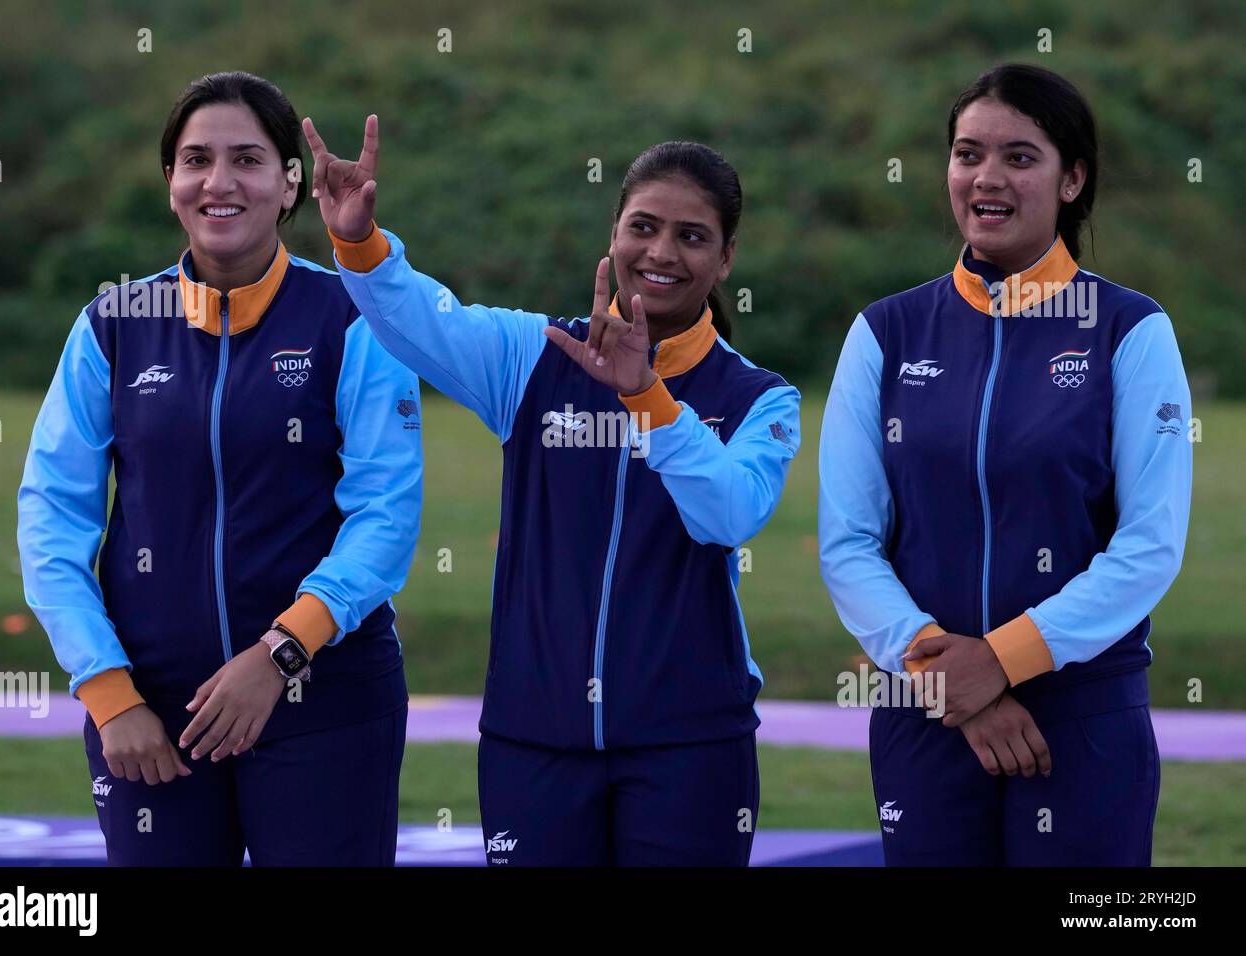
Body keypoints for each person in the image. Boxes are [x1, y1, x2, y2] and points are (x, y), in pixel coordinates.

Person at [304, 118, 802, 865]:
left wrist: (649, 397)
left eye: (692, 237)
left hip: (691, 746)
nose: (662, 253)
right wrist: (361, 244)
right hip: (531, 738)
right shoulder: (534, 356)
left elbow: (727, 514)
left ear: (727, 257)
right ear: (614, 230)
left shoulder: (760, 398)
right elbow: (422, 323)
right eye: (644, 226)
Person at [17, 72, 422, 866]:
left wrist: (281, 654)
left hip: (325, 704)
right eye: (196, 159)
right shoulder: (113, 324)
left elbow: (387, 515)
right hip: (151, 716)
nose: (219, 182)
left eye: (248, 159)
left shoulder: (354, 318)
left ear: (289, 182)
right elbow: (51, 522)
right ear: (171, 182)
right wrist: (109, 696)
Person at [819, 63, 1192, 866]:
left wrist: (1004, 659)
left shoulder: (1130, 329)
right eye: (967, 154)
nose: (986, 177)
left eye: (1020, 157)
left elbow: (1149, 546)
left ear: (1072, 180)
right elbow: (848, 543)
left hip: (1081, 718)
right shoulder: (886, 332)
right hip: (925, 717)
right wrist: (955, 680)